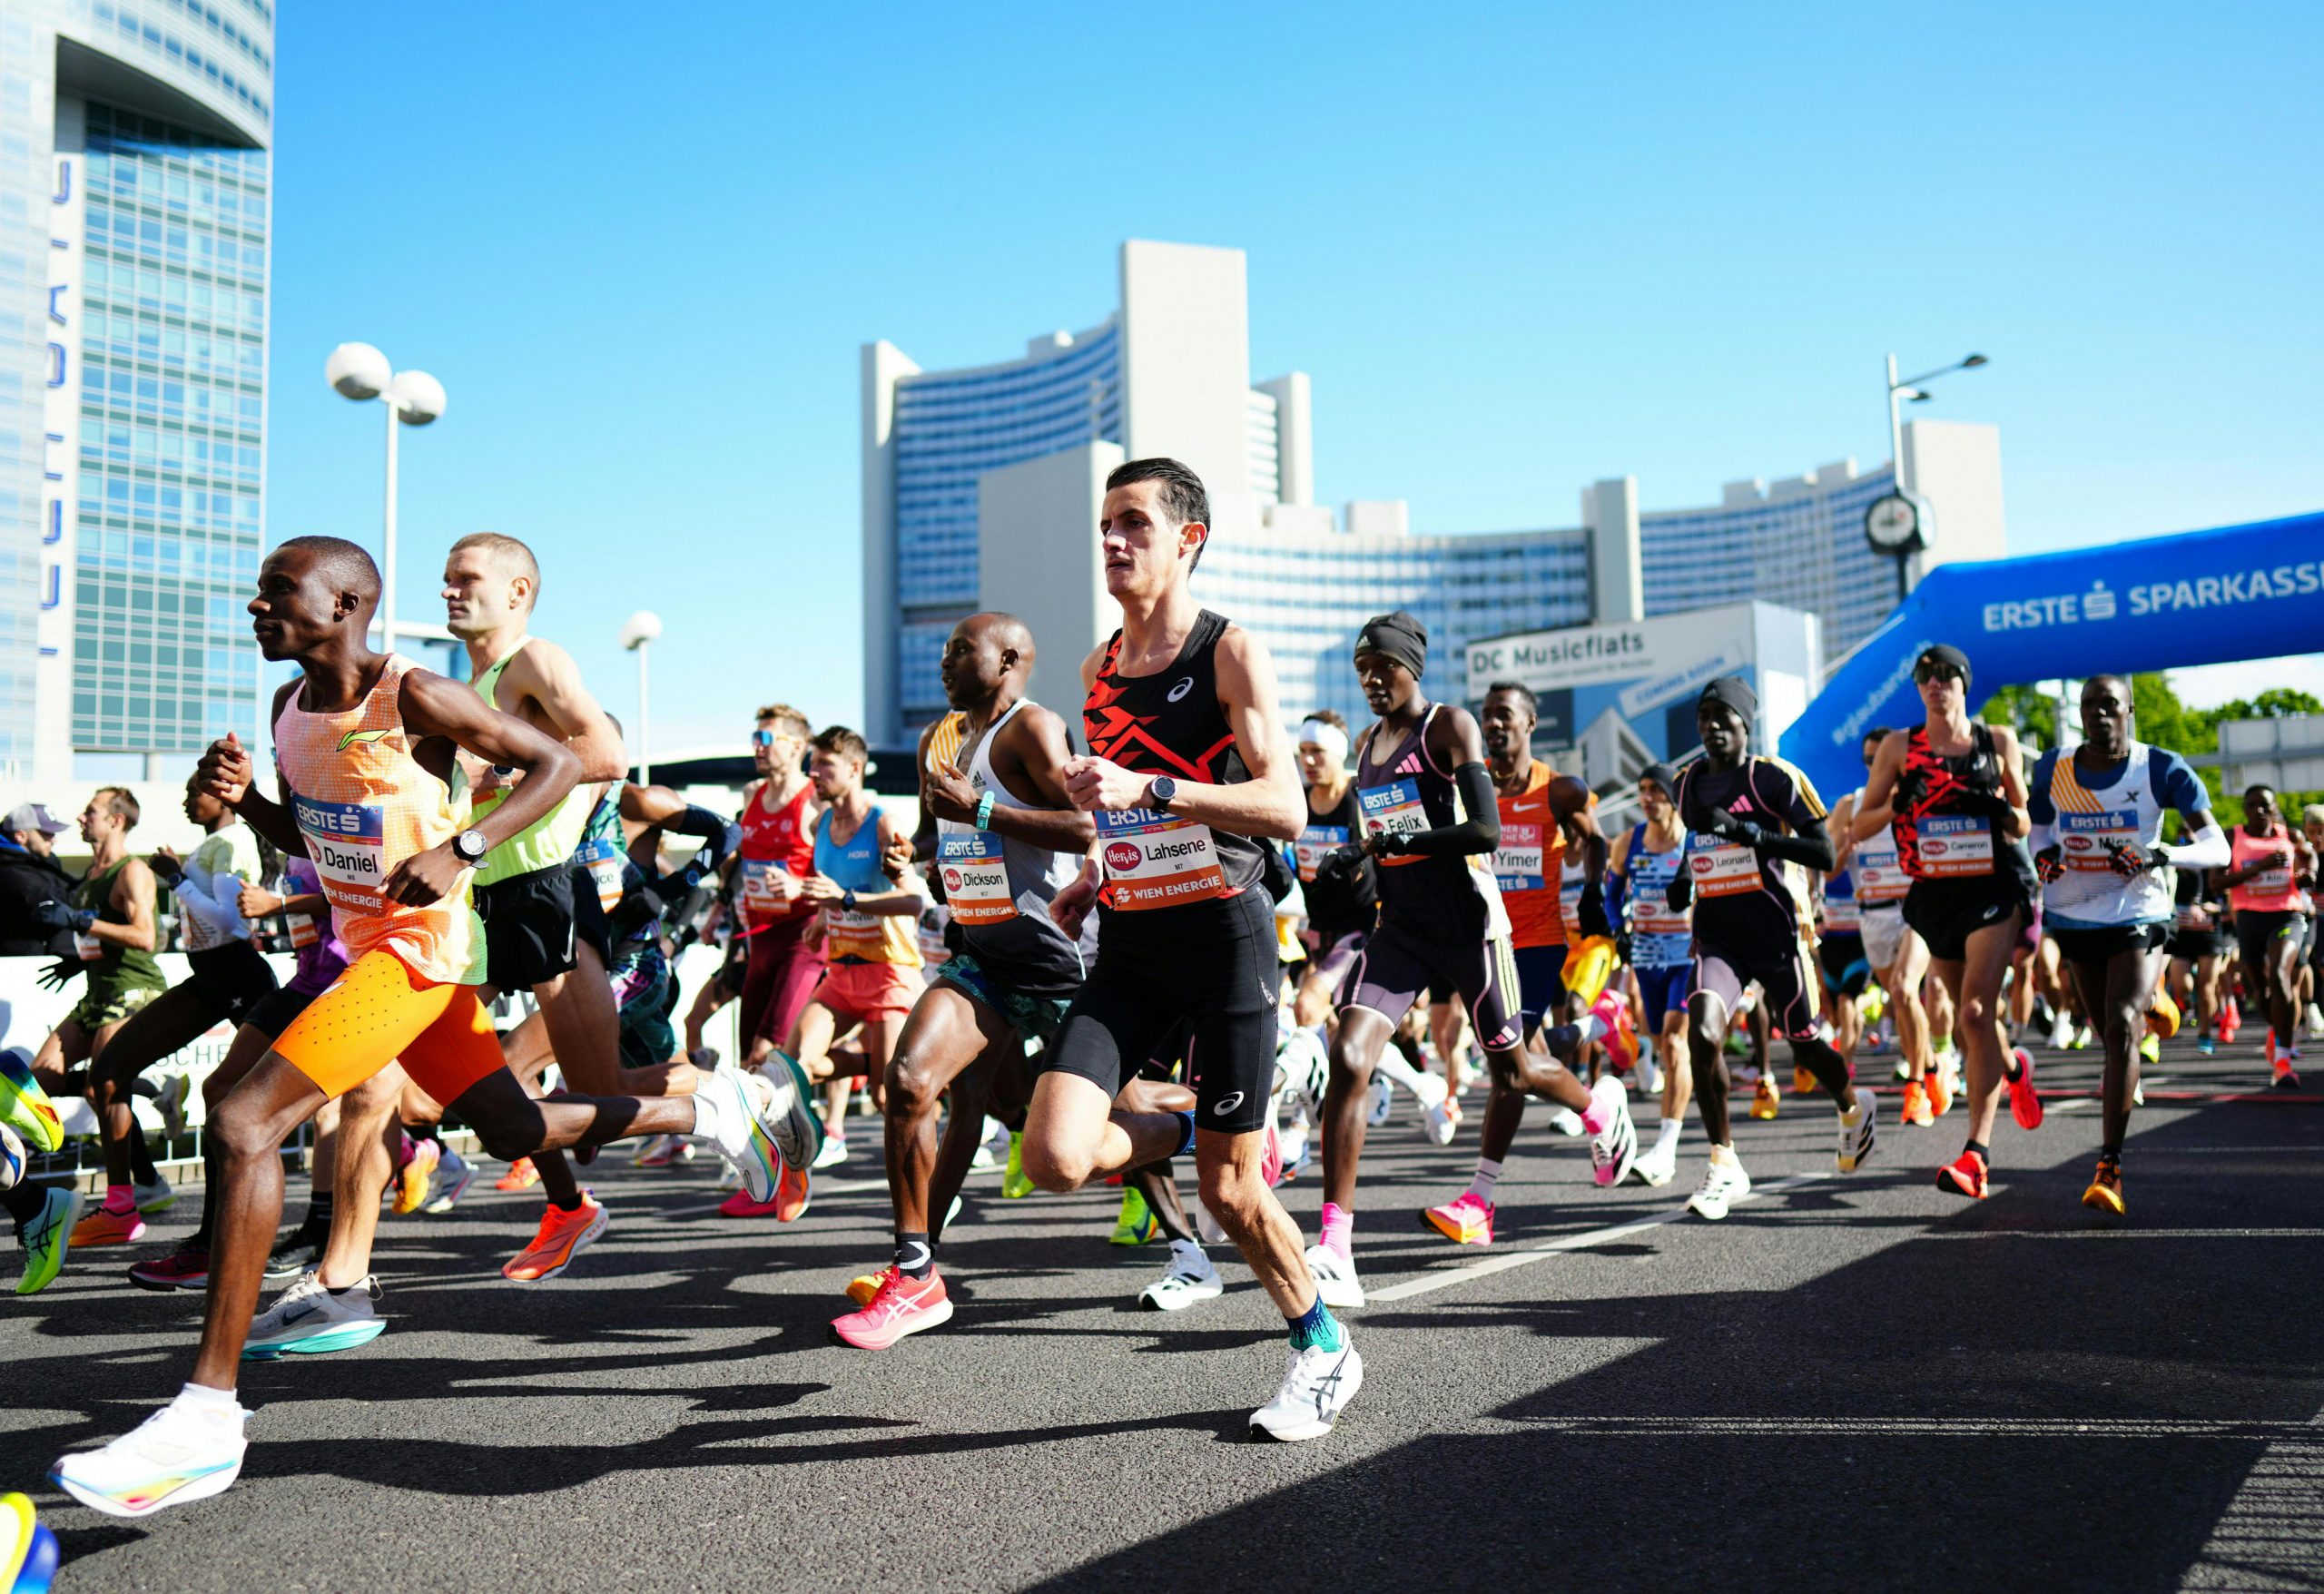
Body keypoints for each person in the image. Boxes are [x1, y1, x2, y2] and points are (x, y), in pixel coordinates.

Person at [48, 536, 812, 1519]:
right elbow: (318, 835)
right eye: (258, 592)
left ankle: (205, 1413)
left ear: (349, 602)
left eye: (279, 591)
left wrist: (466, 846)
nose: (256, 606)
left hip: (413, 952)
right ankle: (718, 1107)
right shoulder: (287, 709)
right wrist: (251, 809)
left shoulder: (414, 695)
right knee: (513, 1128)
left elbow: (554, 761)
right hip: (371, 944)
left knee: (244, 1121)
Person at [1018, 456, 1357, 1441]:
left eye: (1133, 524)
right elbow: (1118, 809)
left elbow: (1284, 808)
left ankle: (1323, 1348)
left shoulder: (1228, 653)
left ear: (1186, 539)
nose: (1113, 541)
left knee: (1228, 1192)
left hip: (1225, 940)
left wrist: (1150, 790)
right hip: (1130, 943)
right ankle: (1219, 1129)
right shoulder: (1095, 672)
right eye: (1105, 525)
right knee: (1052, 1156)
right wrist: (1095, 872)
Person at [831, 612, 1097, 1349]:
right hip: (982, 952)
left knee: (1111, 1129)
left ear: (1009, 657)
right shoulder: (937, 738)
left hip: (1064, 958)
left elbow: (1085, 831)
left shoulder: (1032, 728)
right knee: (913, 1083)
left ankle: (1200, 1154)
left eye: (959, 650)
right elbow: (935, 832)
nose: (943, 661)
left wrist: (979, 807)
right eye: (944, 649)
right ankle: (915, 1270)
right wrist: (907, 855)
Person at [1416, 674, 1632, 1250]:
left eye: (1506, 713)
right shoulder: (1470, 786)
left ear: (1530, 723)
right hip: (1484, 940)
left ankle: (1480, 1201)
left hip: (1537, 942)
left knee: (1505, 1069)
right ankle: (1600, 1080)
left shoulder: (1557, 790)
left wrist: (1592, 890)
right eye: (1487, 713)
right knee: (1525, 1061)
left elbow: (1596, 840)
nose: (1494, 722)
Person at [1668, 676, 1876, 1220]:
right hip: (1718, 936)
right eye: (1704, 717)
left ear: (1745, 725)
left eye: (1724, 717)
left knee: (1805, 1044)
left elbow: (1825, 851)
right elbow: (1698, 844)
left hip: (1779, 933)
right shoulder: (1686, 785)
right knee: (1705, 1032)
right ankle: (1724, 1161)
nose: (1712, 727)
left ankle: (1852, 1106)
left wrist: (1752, 834)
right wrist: (1683, 881)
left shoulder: (1774, 779)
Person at [2027, 674, 2225, 1215]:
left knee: (2119, 1025)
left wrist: (2159, 854)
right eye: (2089, 706)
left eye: (2109, 705)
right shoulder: (2054, 767)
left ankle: (2108, 1166)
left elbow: (2218, 849)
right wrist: (2043, 857)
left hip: (2140, 910)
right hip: (2073, 914)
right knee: (2106, 1031)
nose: (2099, 714)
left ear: (2129, 710)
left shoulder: (2159, 766)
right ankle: (2155, 1001)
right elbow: (2038, 831)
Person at [1857, 644, 2040, 1201]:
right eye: (1924, 677)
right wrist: (1898, 803)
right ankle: (2014, 1070)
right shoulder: (1899, 746)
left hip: (1992, 886)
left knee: (1976, 1011)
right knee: (1972, 1026)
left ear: (1964, 683)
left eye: (1945, 676)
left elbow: (2024, 819)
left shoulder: (1997, 741)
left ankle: (1975, 1156)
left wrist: (1999, 811)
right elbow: (1861, 826)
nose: (1934, 684)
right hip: (1934, 893)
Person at [77, 776, 279, 1248]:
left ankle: (226, 1238)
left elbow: (231, 921)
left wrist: (175, 877)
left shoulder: (233, 840)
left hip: (240, 978)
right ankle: (121, 1206)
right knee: (107, 1074)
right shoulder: (213, 842)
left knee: (243, 1107)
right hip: (209, 980)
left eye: (195, 794)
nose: (187, 802)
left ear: (223, 796)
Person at [25, 790, 169, 1235]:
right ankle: (152, 1097)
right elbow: (102, 937)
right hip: (98, 989)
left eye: (91, 812)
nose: (82, 817)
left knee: (101, 1085)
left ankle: (121, 1204)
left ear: (117, 822)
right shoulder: (91, 874)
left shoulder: (134, 872)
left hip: (134, 988)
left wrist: (80, 922)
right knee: (40, 1078)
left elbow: (146, 937)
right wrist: (76, 959)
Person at [789, 726, 928, 1166]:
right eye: (813, 763)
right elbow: (833, 889)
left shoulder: (882, 822)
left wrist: (844, 900)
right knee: (795, 1066)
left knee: (887, 1098)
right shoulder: (821, 823)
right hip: (842, 972)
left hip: (889, 971)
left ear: (854, 767)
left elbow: (913, 900)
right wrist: (822, 919)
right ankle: (866, 1057)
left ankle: (934, 1182)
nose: (814, 772)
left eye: (825, 764)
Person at [1609, 762, 1694, 1186]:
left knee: (1676, 1046)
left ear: (1673, 797)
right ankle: (1705, 1086)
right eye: (1642, 790)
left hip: (1687, 959)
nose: (1647, 798)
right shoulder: (1629, 841)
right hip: (1645, 959)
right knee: (1664, 1047)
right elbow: (1610, 895)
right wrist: (1617, 932)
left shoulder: (1692, 842)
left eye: (1655, 791)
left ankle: (1666, 1147)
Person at [2221, 783, 2315, 1088]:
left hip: (2287, 915)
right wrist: (2258, 868)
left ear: (2274, 808)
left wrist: (2307, 874)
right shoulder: (2232, 837)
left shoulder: (2289, 835)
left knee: (2280, 974)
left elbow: (2308, 854)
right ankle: (2279, 1030)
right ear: (2245, 808)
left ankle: (2283, 1062)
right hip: (2249, 918)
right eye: (2252, 805)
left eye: (2266, 806)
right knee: (2258, 992)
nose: (2259, 811)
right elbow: (2214, 882)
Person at [0, 804, 75, 956]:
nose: (53, 839)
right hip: (23, 966)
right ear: (20, 836)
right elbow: (57, 898)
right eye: (45, 833)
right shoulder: (10, 870)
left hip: (46, 961)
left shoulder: (43, 861)